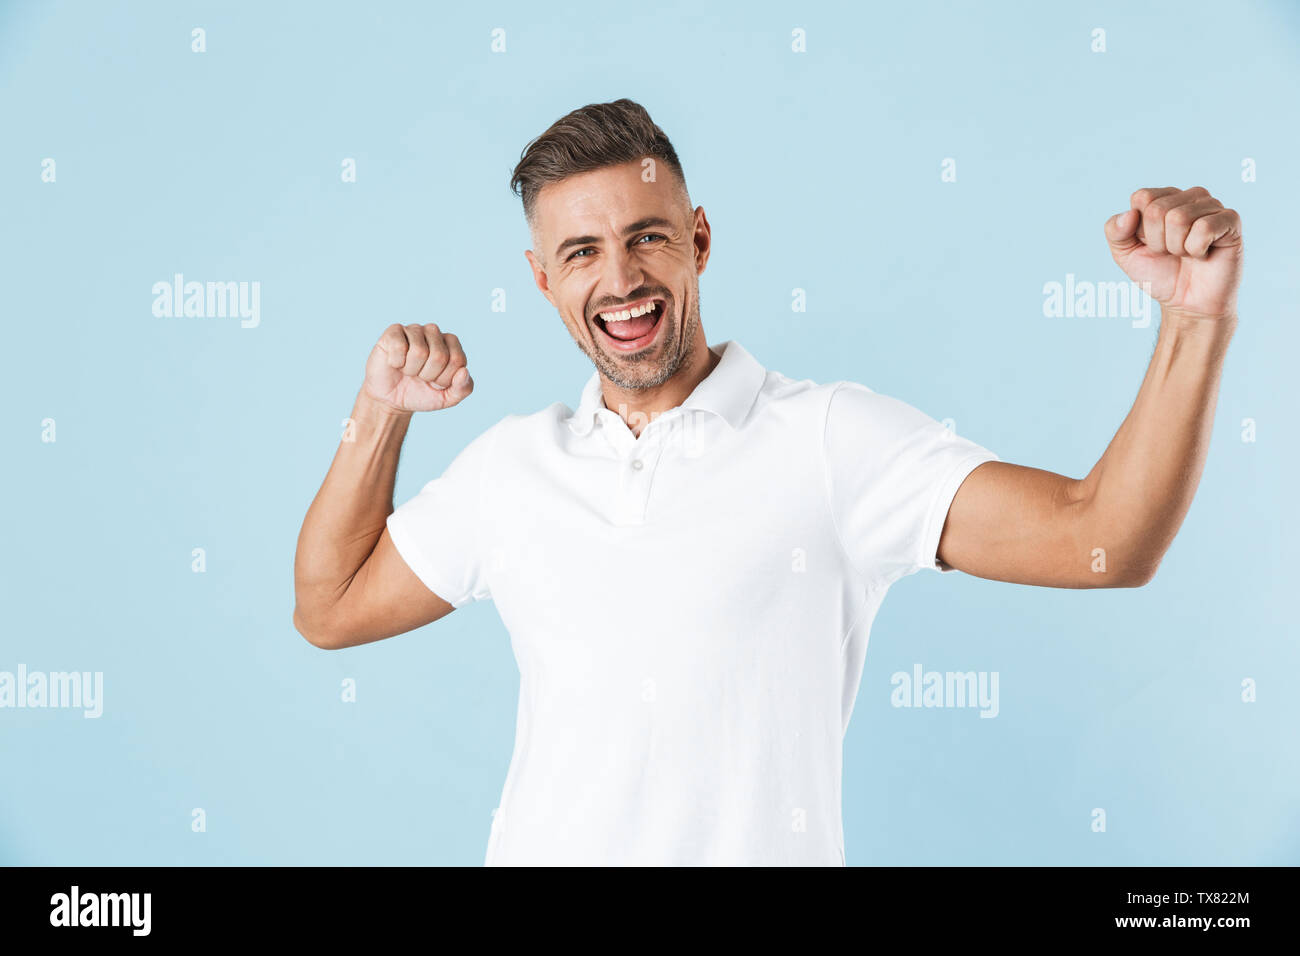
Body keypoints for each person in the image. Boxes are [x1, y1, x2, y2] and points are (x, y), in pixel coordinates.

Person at [292, 99, 1243, 866]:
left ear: (699, 240)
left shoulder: (829, 440)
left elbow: (1102, 538)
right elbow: (328, 607)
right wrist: (380, 413)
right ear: (542, 281)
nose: (620, 278)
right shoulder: (513, 466)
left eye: (648, 238)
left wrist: (1194, 320)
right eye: (581, 253)